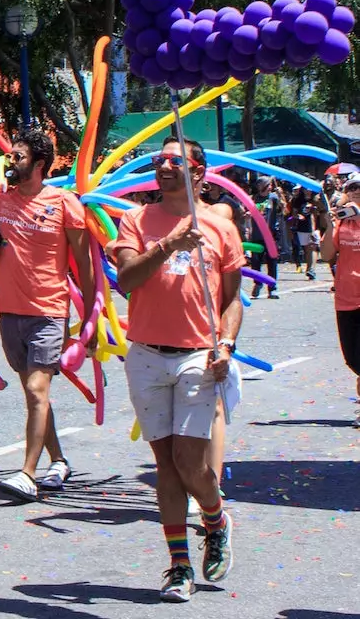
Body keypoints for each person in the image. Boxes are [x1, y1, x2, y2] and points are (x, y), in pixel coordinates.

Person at [108, 137, 241, 603]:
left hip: (196, 356)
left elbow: (230, 302)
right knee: (165, 463)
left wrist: (225, 344)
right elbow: (127, 280)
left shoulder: (220, 226)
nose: (163, 167)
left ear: (199, 171)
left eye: (174, 161)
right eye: (157, 160)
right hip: (145, 353)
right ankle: (179, 564)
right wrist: (168, 244)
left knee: (191, 463)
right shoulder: (136, 220)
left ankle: (215, 516)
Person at [0, 122, 93, 503]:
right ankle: (58, 460)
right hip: (10, 313)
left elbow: (84, 264)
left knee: (36, 388)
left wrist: (89, 322)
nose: (10, 160)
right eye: (10, 154)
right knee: (34, 396)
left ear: (39, 164)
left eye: (18, 156)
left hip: (49, 311)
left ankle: (28, 474)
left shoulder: (64, 203)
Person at [320, 172, 360, 427]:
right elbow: (326, 255)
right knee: (353, 357)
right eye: (352, 187)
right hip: (346, 297)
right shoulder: (342, 221)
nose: (356, 191)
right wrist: (331, 224)